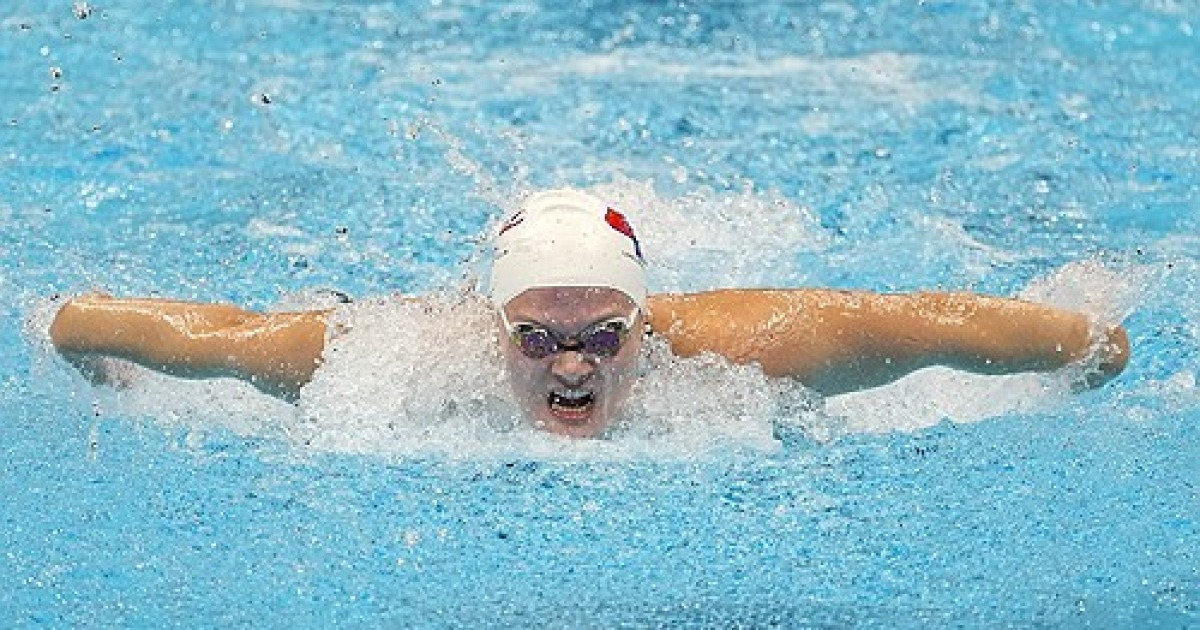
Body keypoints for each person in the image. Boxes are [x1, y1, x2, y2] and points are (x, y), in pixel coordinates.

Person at [48, 189, 1130, 438]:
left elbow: (940, 322)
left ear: (646, 327)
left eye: (604, 334)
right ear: (493, 331)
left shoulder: (757, 346)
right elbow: (144, 328)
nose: (574, 366)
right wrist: (95, 356)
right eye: (539, 337)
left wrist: (1088, 345)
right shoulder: (384, 359)